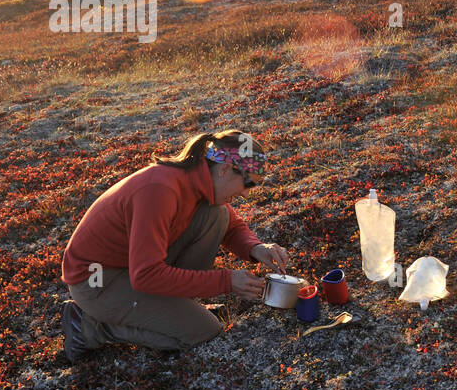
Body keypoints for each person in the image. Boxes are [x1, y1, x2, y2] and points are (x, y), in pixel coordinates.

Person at [59, 129, 290, 362]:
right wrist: (226, 281)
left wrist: (257, 248)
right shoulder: (160, 190)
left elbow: (231, 226)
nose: (247, 194)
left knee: (218, 214)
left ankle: (175, 308)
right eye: (248, 183)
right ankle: (87, 326)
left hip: (131, 266)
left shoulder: (196, 180)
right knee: (203, 331)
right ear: (225, 169)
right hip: (96, 281)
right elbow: (146, 276)